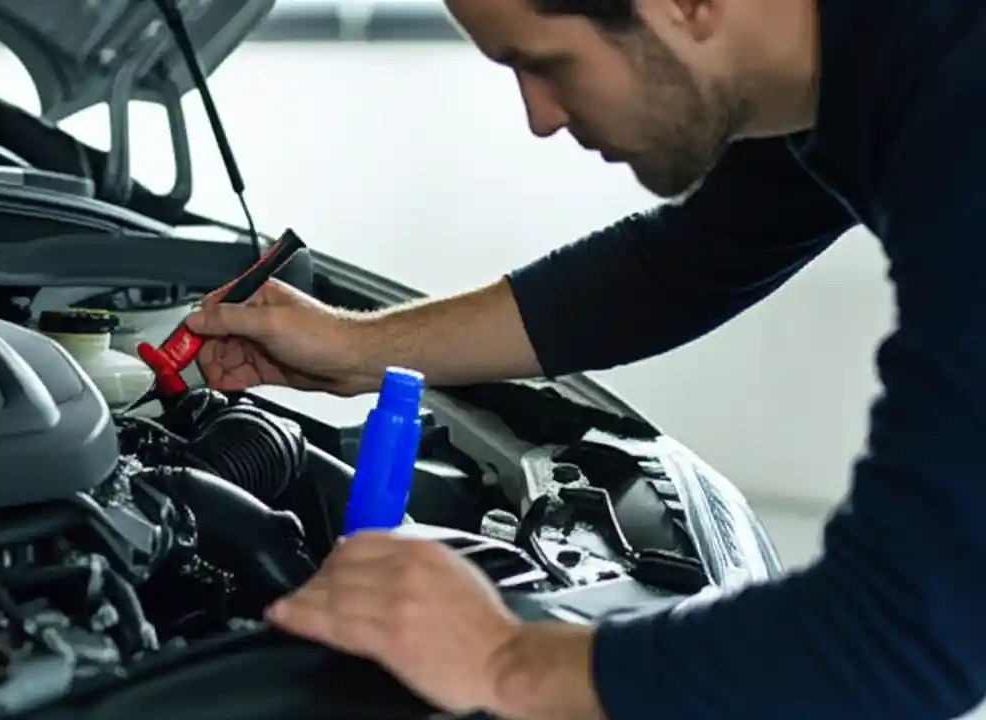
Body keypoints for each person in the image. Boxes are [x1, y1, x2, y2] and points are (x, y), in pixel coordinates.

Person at [184, 0, 986, 718]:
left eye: (543, 62)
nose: (538, 115)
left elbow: (907, 628)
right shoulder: (860, 56)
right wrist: (359, 349)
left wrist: (505, 662)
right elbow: (676, 268)